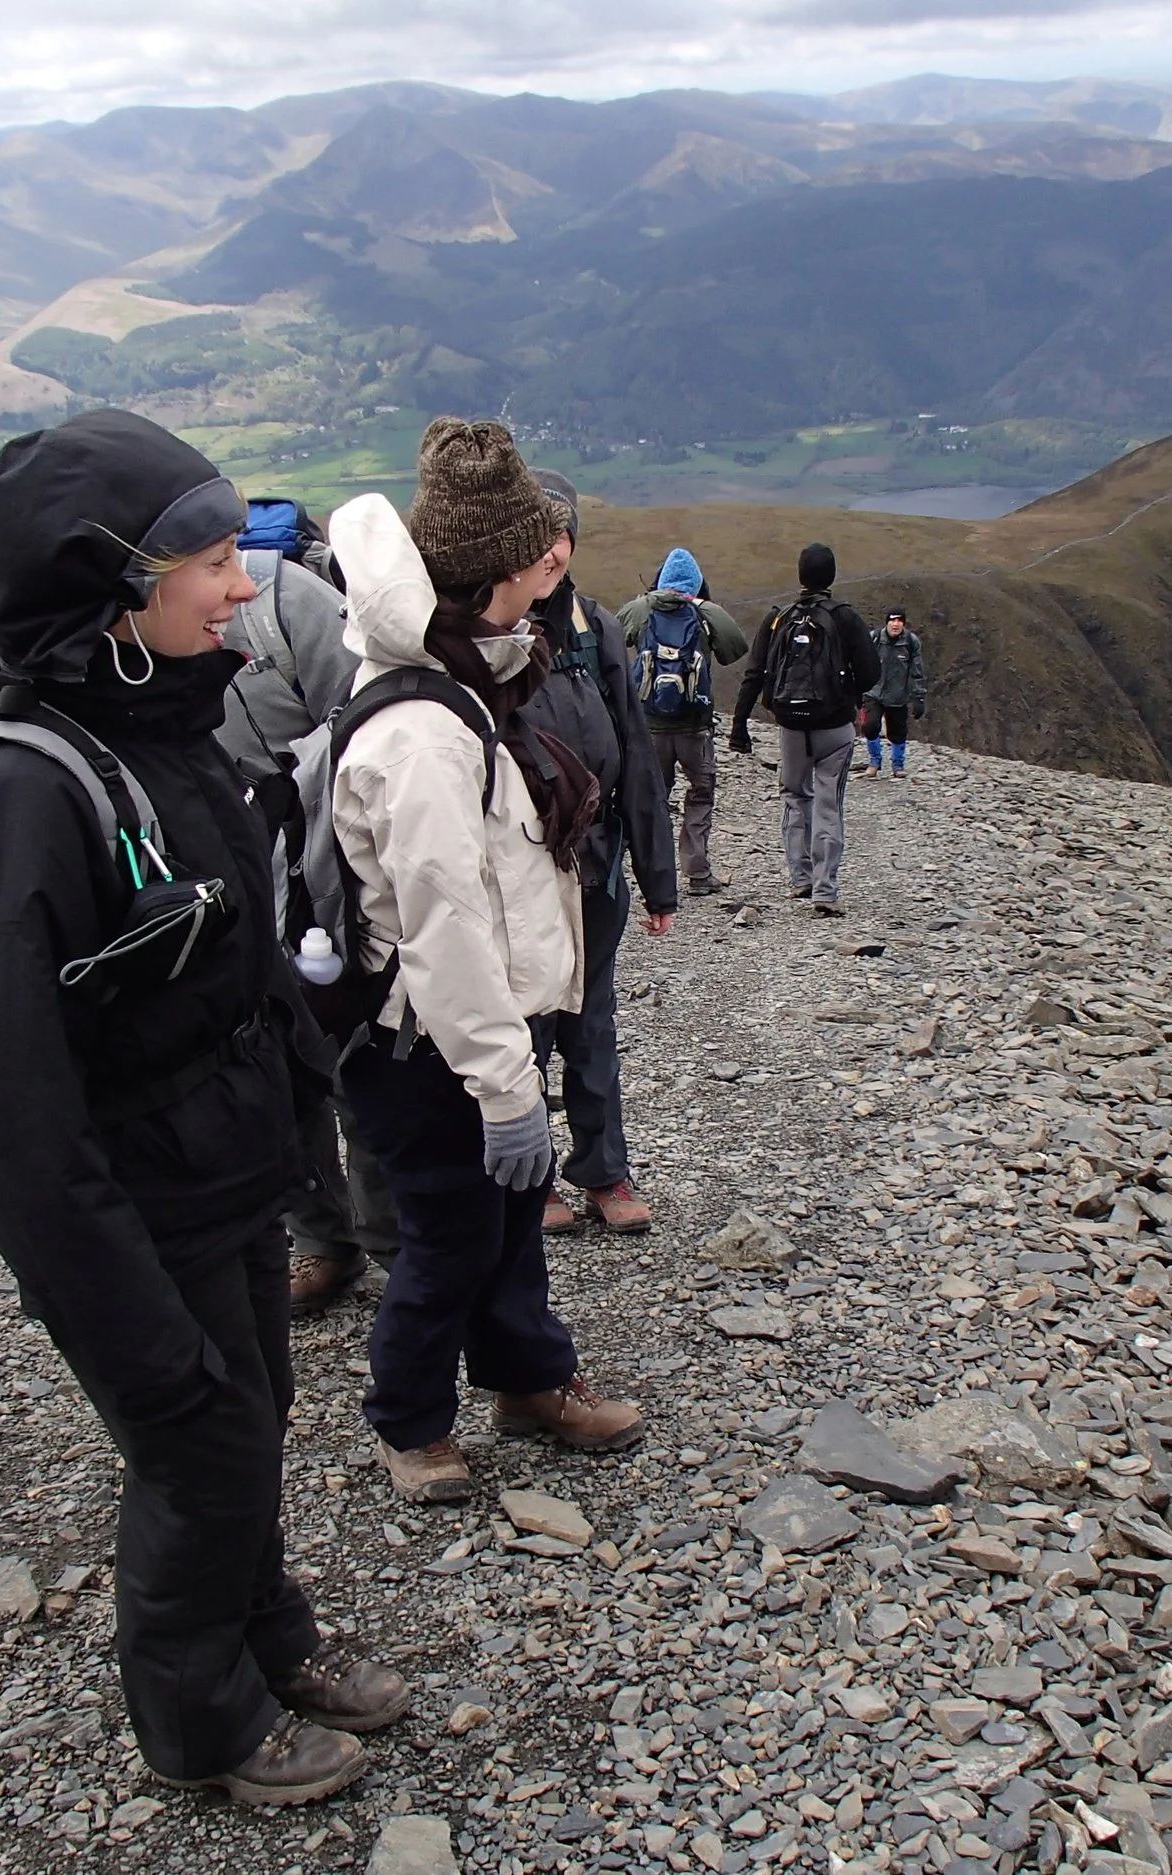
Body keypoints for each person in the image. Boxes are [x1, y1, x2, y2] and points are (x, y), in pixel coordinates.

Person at [0, 408, 404, 1808]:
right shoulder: (27, 792)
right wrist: (118, 1303)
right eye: (208, 560)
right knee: (194, 1442)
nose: (244, 581)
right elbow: (21, 1103)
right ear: (119, 590)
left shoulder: (164, 724)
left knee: (245, 1418)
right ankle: (201, 1722)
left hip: (219, 1182)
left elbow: (234, 959)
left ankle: (268, 1643)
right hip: (131, 1216)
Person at [330, 417, 646, 1506]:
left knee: (508, 1218)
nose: (551, 568)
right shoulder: (424, 731)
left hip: (479, 1033)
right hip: (426, 1045)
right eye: (536, 553)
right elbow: (444, 924)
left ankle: (527, 1383)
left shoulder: (465, 679)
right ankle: (409, 1425)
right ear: (501, 570)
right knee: (451, 1232)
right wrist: (505, 1086)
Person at [216, 498, 399, 1316]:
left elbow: (358, 727)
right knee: (275, 1065)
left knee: (347, 1051)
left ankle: (390, 1238)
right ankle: (320, 1240)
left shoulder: (288, 602)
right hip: (230, 872)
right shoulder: (133, 628)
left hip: (320, 866)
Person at [519, 471, 679, 1236]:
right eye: (534, 529)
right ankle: (532, 1179)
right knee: (528, 1025)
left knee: (592, 1021)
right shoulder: (488, 628)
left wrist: (658, 880)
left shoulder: (594, 630)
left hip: (597, 867)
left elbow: (638, 757)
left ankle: (603, 1171)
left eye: (559, 529)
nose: (549, 545)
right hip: (521, 873)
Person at [730, 543, 879, 917]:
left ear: (800, 575)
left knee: (796, 796)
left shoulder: (780, 618)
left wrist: (739, 725)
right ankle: (825, 891)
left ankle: (801, 877)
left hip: (791, 727)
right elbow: (872, 672)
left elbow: (755, 673)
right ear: (831, 575)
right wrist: (848, 695)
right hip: (835, 728)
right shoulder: (844, 617)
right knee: (829, 803)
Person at [618, 548, 748, 894]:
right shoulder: (706, 613)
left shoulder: (640, 609)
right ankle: (698, 873)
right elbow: (735, 649)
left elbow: (613, 643)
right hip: (695, 727)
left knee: (653, 798)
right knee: (700, 795)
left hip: (650, 727)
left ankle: (651, 876)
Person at [863, 607, 928, 778]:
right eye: (892, 620)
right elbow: (861, 663)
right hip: (873, 692)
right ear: (887, 622)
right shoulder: (874, 638)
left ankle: (898, 764)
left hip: (898, 695)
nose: (896, 624)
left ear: (904, 623)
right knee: (870, 726)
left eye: (900, 620)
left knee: (898, 732)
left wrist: (919, 698)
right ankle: (874, 762)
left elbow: (917, 671)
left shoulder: (911, 642)